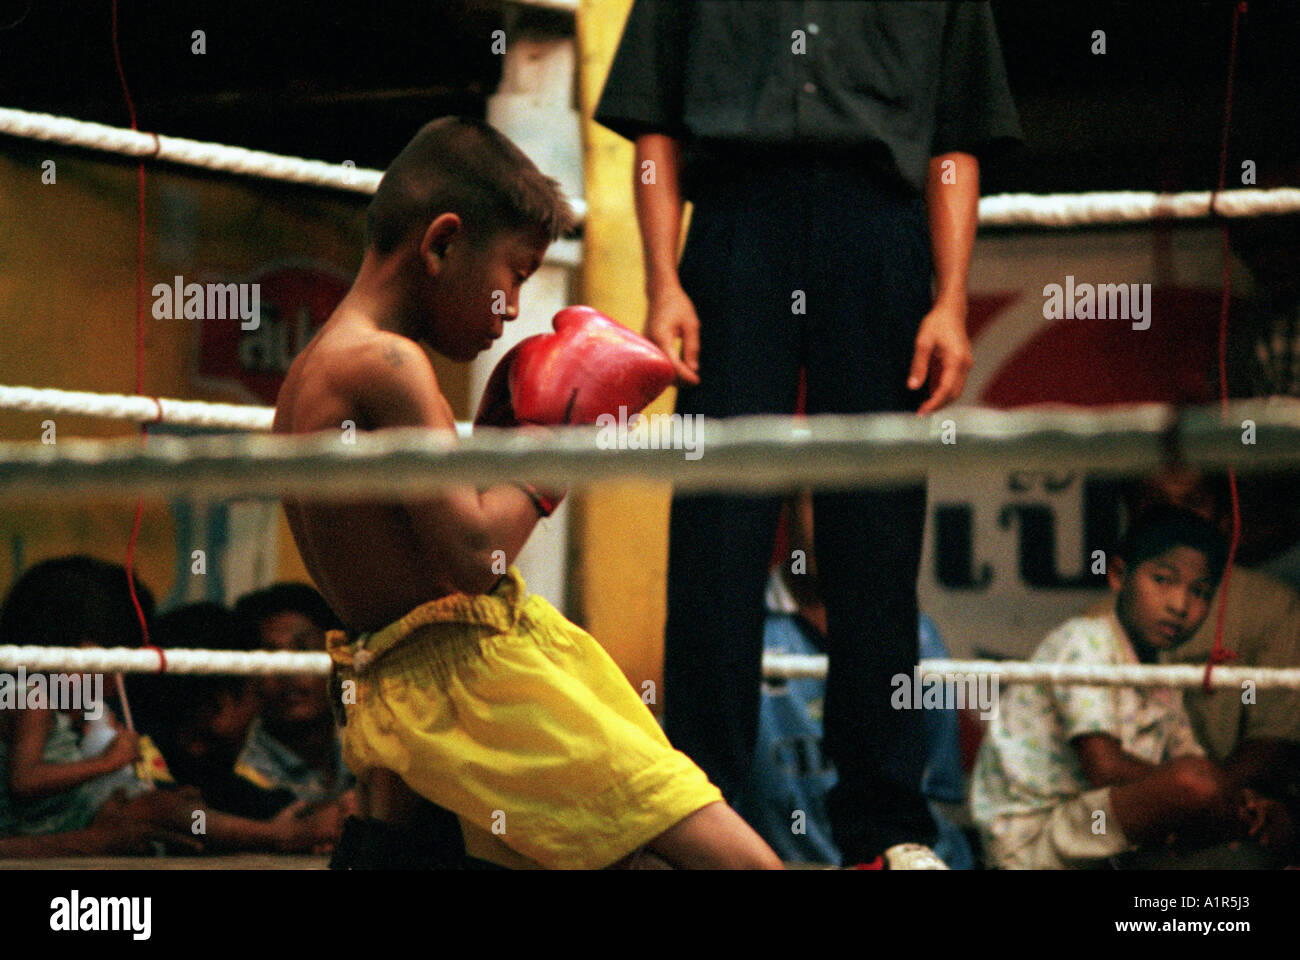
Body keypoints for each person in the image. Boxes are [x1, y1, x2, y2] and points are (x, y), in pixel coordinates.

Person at [272, 116, 782, 869]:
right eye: (516, 273)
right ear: (443, 245)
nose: (513, 308)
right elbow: (478, 555)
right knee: (735, 856)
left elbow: (424, 542)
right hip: (470, 680)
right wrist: (567, 445)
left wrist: (507, 444)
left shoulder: (314, 369)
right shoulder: (388, 364)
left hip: (397, 682)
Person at [594, 0, 1022, 867]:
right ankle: (697, 808)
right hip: (735, 225)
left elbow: (952, 142)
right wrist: (663, 283)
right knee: (717, 521)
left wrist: (950, 298)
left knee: (877, 528)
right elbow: (653, 133)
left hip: (879, 229)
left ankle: (885, 831)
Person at [970, 507, 1294, 869]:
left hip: (1097, 836)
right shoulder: (1084, 640)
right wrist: (1222, 804)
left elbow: (1194, 764)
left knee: (1255, 811)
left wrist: (1243, 803)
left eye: (1200, 592)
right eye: (1162, 579)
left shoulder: (1160, 671)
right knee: (1197, 788)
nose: (1179, 605)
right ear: (1119, 575)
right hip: (1035, 837)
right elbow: (1104, 768)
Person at [233, 584, 355, 805]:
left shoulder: (365, 757)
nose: (288, 670)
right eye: (271, 656)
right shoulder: (238, 773)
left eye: (304, 650)